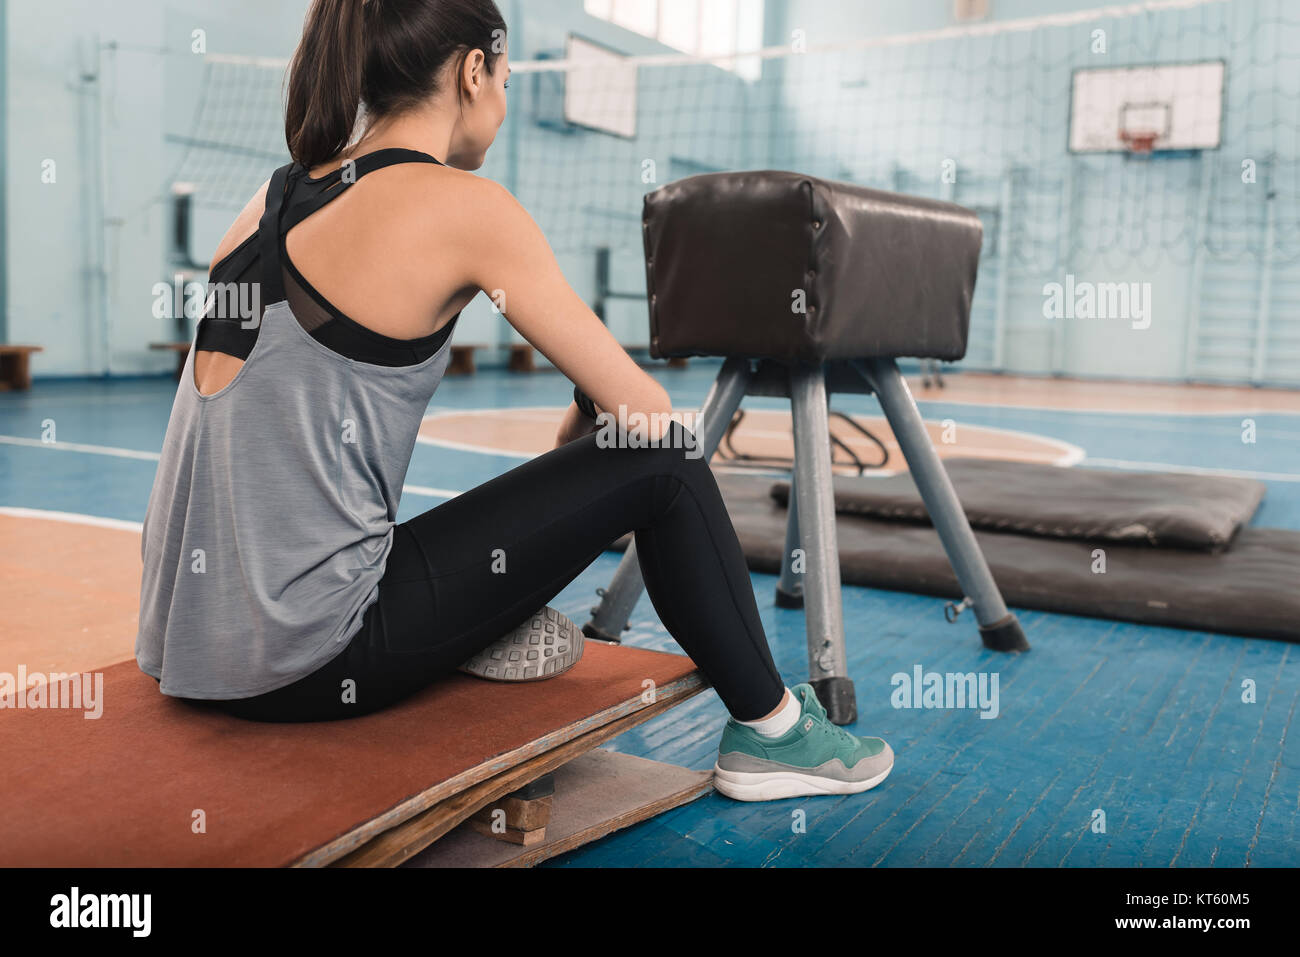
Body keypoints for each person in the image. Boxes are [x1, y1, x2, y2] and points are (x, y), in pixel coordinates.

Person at [134, 0, 892, 802]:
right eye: (505, 75)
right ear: (472, 71)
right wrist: (594, 432)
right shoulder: (467, 208)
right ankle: (775, 732)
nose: (501, 97)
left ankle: (473, 622)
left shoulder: (271, 195)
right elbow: (655, 427)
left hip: (187, 643)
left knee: (611, 463)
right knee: (665, 463)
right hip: (308, 660)